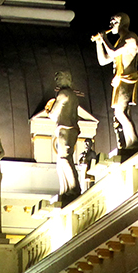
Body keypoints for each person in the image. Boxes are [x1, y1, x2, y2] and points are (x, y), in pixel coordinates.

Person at [92, 13, 138, 151]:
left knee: (120, 113)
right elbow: (103, 61)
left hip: (127, 79)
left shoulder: (131, 39)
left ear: (123, 23)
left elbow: (113, 53)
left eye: (113, 22)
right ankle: (129, 143)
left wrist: (104, 38)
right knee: (122, 113)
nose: (110, 25)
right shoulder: (119, 41)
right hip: (120, 80)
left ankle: (135, 141)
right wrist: (99, 43)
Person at [42, 71, 82, 205]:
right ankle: (67, 189)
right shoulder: (74, 96)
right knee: (63, 160)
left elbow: (54, 114)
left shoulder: (63, 94)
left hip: (65, 128)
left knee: (64, 159)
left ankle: (73, 188)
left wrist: (48, 111)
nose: (57, 81)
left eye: (59, 78)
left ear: (66, 79)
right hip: (72, 128)